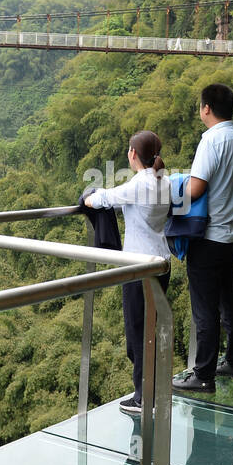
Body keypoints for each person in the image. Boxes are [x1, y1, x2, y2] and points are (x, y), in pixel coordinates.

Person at [83, 131, 171, 416]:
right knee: (152, 329)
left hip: (139, 267)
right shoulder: (164, 181)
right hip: (161, 262)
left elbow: (101, 199)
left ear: (133, 153)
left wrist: (88, 198)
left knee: (138, 332)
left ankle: (144, 398)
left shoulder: (140, 184)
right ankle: (153, 392)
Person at [173, 83, 233, 394]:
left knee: (205, 308)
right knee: (230, 299)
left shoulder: (211, 141)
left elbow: (195, 189)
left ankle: (203, 375)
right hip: (232, 234)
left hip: (208, 237)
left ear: (207, 108)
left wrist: (170, 191)